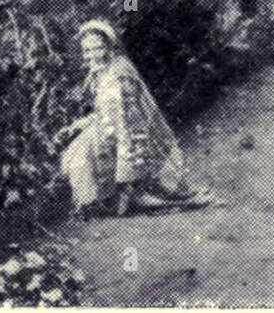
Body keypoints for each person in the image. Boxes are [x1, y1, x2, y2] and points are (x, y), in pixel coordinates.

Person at [57, 19, 207, 217]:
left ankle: (137, 191)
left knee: (130, 157)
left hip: (128, 126)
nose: (92, 55)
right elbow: (104, 110)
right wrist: (79, 124)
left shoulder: (120, 71)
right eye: (88, 50)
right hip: (108, 125)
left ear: (108, 46)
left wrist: (125, 164)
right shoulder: (96, 73)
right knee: (79, 154)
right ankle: (100, 201)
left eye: (97, 48)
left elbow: (128, 114)